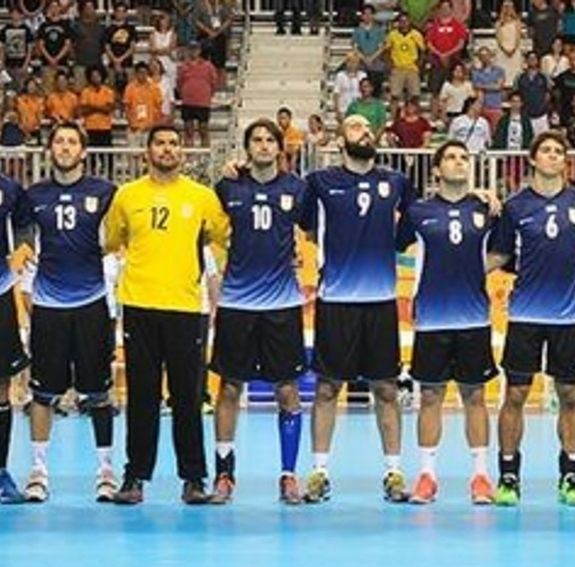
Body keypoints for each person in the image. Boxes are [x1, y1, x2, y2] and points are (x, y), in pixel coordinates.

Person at [103, 124, 229, 505]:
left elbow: (220, 240)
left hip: (186, 308)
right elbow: (113, 240)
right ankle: (135, 477)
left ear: (183, 153)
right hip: (140, 305)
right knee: (141, 397)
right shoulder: (126, 196)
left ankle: (193, 479)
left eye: (174, 143)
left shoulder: (203, 198)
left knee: (187, 398)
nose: (168, 149)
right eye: (160, 143)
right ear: (148, 151)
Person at [296, 115, 414, 503]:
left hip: (380, 301)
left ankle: (394, 473)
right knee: (328, 388)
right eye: (355, 127)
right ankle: (318, 472)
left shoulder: (396, 182)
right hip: (337, 301)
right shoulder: (319, 183)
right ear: (340, 139)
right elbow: (308, 227)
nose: (365, 131)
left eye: (368, 127)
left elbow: (411, 228)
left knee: (386, 388)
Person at [486, 131, 575, 507]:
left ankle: (570, 476)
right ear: (532, 159)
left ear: (567, 160)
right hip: (525, 315)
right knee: (515, 393)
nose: (553, 156)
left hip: (569, 316)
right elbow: (498, 256)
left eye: (559, 151)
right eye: (546, 150)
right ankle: (509, 477)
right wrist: (459, 274)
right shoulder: (515, 207)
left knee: (570, 394)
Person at [15, 123, 117, 503]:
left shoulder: (105, 193)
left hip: (92, 305)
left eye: (72, 141)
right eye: (59, 140)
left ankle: (105, 470)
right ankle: (39, 470)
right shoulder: (33, 196)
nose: (65, 146)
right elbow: (24, 244)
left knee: (98, 392)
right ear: (49, 149)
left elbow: (118, 239)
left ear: (84, 151)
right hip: (48, 306)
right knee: (41, 393)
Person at [207, 120, 308, 505]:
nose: (264, 145)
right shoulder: (228, 186)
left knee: (287, 389)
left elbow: (318, 230)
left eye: (270, 140)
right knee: (230, 387)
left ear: (280, 147)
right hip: (236, 302)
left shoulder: (297, 189)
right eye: (257, 140)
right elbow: (210, 234)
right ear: (247, 147)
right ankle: (224, 474)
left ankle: (288, 476)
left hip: (282, 304)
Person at [395, 141, 499, 505]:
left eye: (463, 158)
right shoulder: (418, 211)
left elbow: (501, 253)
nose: (459, 163)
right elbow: (396, 245)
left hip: (474, 317)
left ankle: (481, 477)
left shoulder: (486, 208)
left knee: (475, 396)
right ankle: (426, 476)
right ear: (437, 169)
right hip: (432, 320)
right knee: (430, 397)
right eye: (452, 158)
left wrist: (471, 271)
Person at [0, 141, 28, 503]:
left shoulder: (8, 189)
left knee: (2, 384)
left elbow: (24, 228)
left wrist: (20, 255)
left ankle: (1, 471)